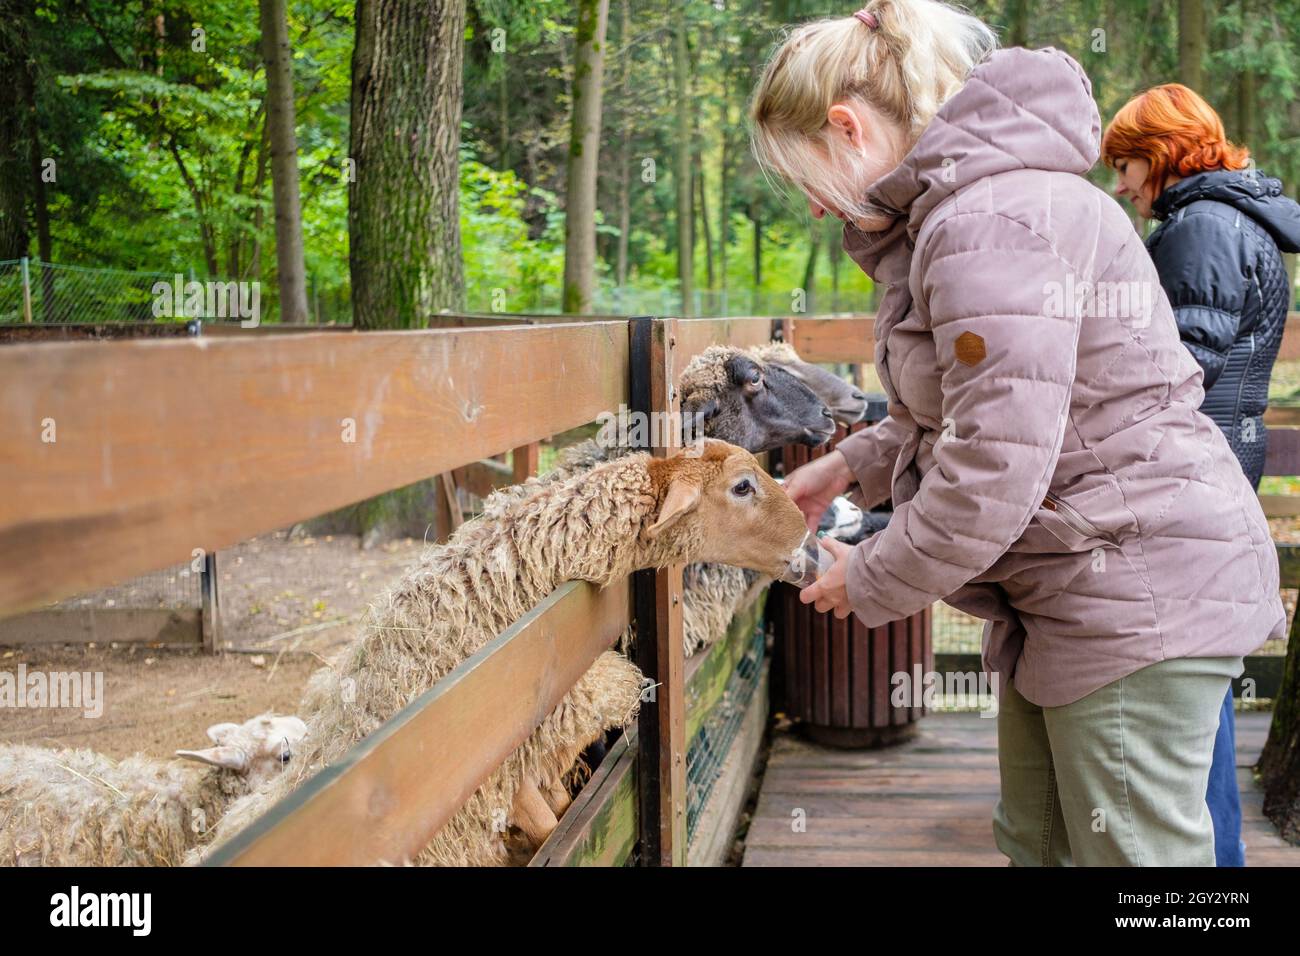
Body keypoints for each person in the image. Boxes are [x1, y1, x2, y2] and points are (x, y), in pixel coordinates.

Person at [749, 0, 1285, 865]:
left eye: (804, 176)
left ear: (847, 129)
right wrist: (846, 467)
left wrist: (876, 575)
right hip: (1077, 593)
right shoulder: (971, 214)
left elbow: (995, 461)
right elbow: (984, 404)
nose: (815, 208)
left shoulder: (984, 226)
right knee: (1041, 842)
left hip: (1130, 593)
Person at [1102, 83, 1300, 866]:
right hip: (1220, 466)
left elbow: (1177, 368)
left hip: (1189, 476)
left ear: (1161, 154)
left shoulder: (1205, 229)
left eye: (1124, 164)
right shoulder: (1228, 219)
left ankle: (1214, 870)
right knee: (1200, 673)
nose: (1120, 186)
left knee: (1190, 687)